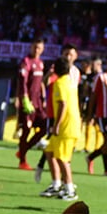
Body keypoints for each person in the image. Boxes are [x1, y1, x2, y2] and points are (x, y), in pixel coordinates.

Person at [39, 46, 82, 201]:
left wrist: (56, 125)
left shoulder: (60, 84)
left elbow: (63, 104)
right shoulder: (68, 81)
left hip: (66, 126)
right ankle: (56, 184)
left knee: (63, 158)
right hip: (70, 124)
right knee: (50, 152)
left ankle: (70, 189)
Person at [13, 40, 48, 167]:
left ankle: (24, 150)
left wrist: (44, 96)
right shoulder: (26, 62)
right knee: (26, 130)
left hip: (38, 103)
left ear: (42, 49)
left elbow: (40, 82)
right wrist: (24, 98)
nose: (36, 50)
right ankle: (22, 161)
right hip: (28, 102)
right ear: (31, 47)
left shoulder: (41, 63)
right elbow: (22, 82)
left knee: (45, 127)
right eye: (35, 47)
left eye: (39, 48)